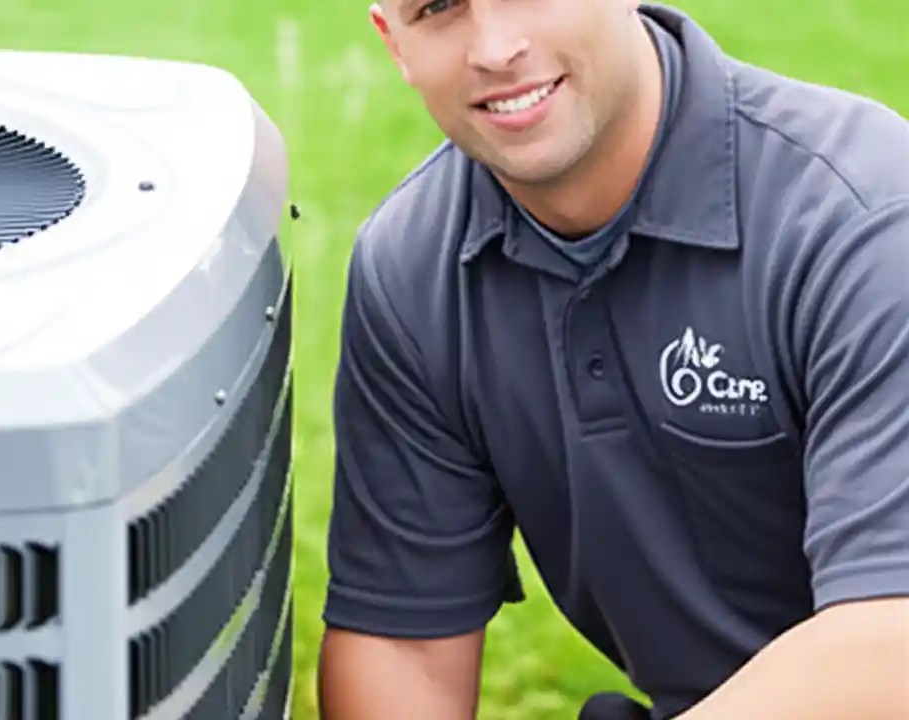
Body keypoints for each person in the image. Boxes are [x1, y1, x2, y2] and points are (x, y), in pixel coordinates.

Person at [317, 1, 909, 718]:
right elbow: (402, 647)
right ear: (395, 44)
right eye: (439, 7)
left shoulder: (863, 218)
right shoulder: (413, 272)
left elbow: (891, 644)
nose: (496, 48)